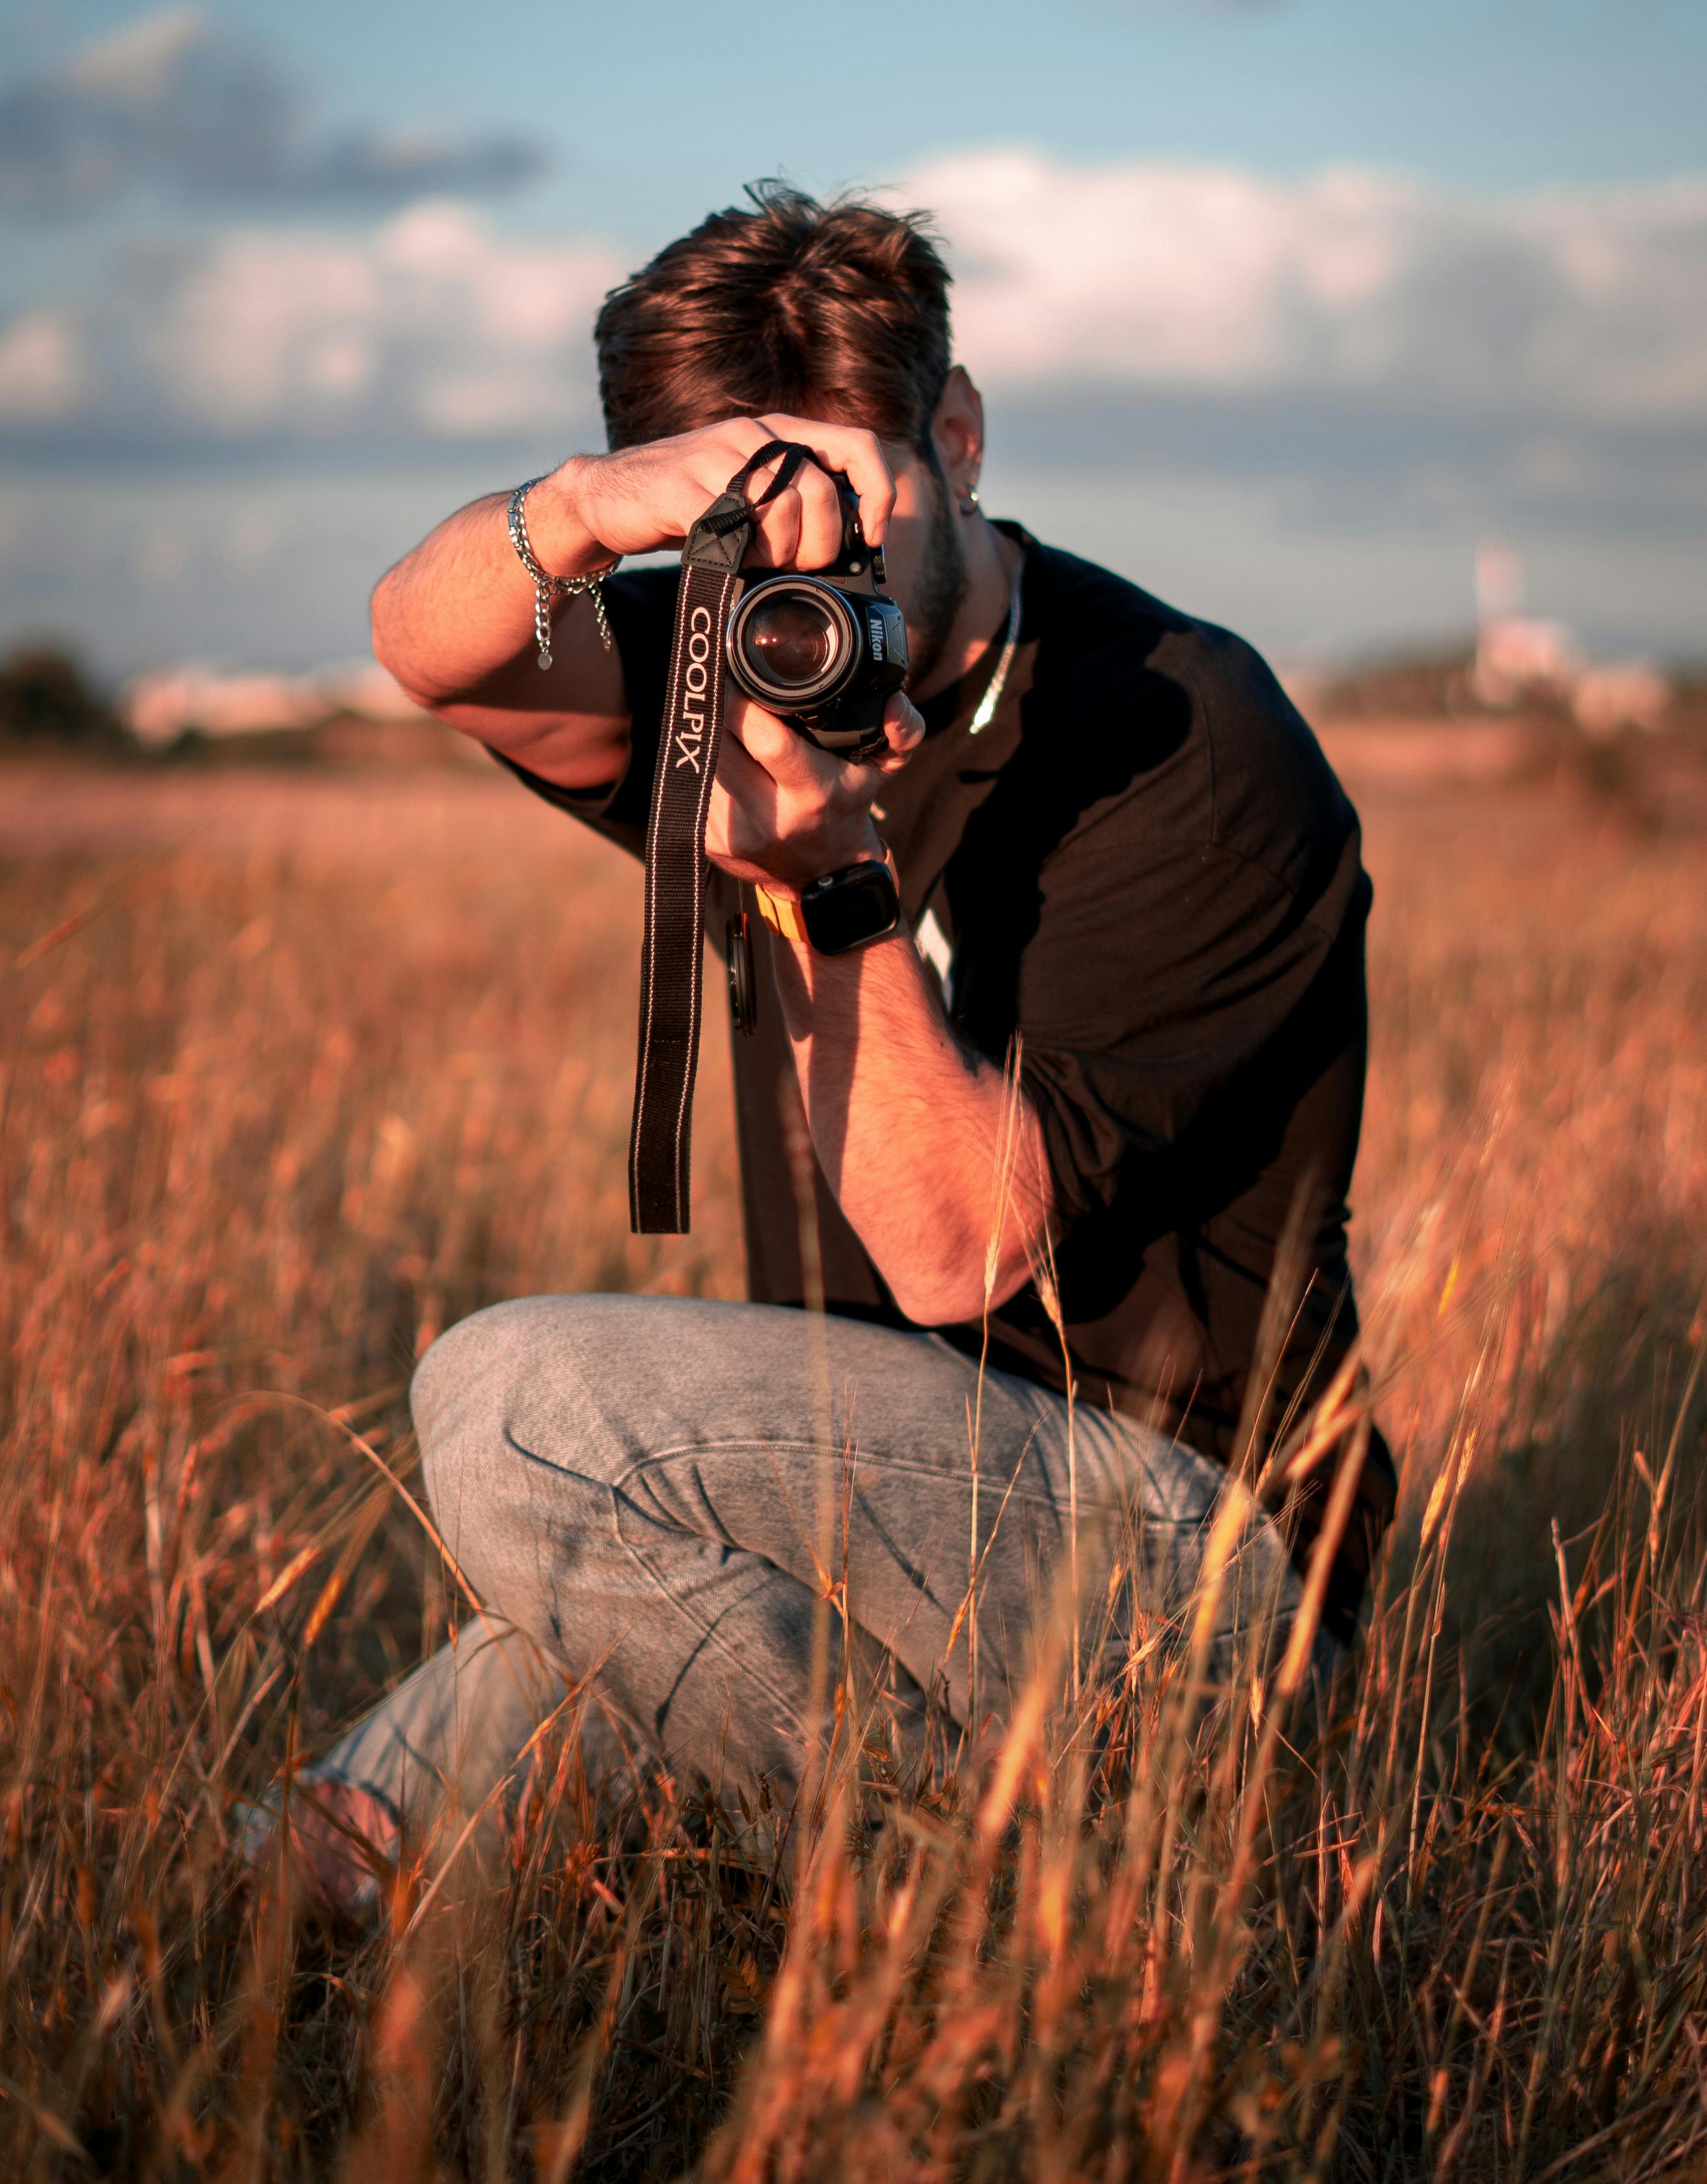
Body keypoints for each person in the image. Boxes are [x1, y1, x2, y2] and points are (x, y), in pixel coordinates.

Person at [254, 185, 1395, 1911]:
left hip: (1199, 1560)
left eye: (852, 499)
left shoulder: (1183, 738)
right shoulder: (743, 657)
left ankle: (956, 1878)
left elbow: (960, 1247)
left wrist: (824, 887)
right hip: (847, 1497)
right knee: (312, 1875)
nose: (810, 579)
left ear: (958, 435)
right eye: (744, 521)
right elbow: (430, 644)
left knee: (519, 1409)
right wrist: (576, 518)